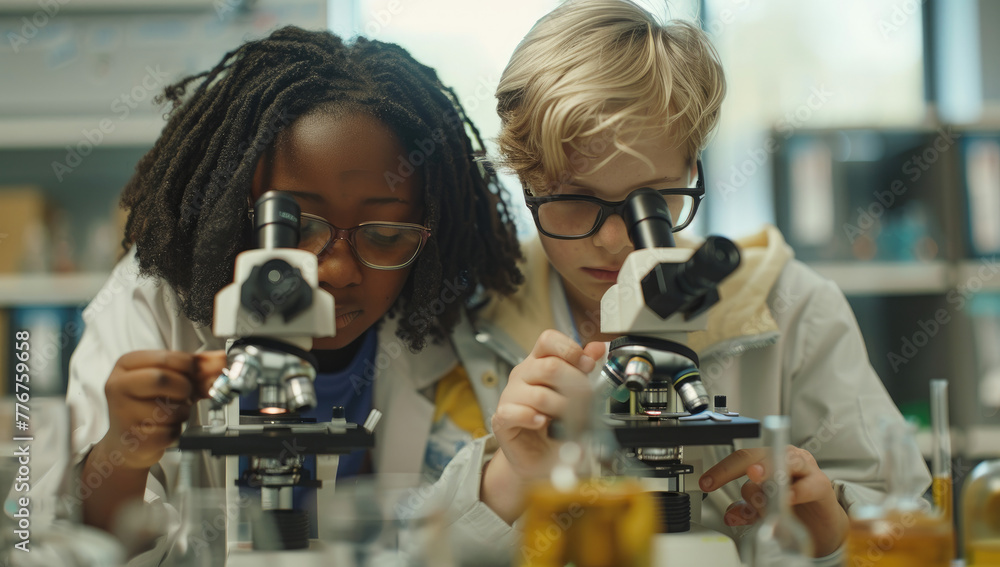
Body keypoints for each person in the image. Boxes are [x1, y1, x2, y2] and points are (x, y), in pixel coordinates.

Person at [468, 0, 932, 564]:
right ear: (527, 180)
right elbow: (407, 537)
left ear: (692, 170)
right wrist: (506, 479)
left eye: (651, 199)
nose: (616, 240)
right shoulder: (471, 313)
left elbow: (911, 524)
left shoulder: (794, 307)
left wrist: (830, 530)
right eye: (573, 198)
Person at [64, 26, 524, 563]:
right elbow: (86, 544)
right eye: (298, 225)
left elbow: (440, 540)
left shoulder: (438, 330)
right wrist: (124, 453)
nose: (337, 269)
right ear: (232, 205)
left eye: (383, 235)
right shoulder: (153, 309)